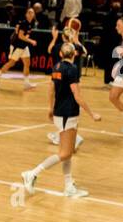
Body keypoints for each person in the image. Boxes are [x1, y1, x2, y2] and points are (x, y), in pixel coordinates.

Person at [21, 41, 100, 199]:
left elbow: (51, 89)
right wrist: (92, 114)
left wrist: (50, 108)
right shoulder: (72, 69)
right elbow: (77, 95)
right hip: (67, 114)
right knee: (64, 154)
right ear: (75, 54)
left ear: (61, 54)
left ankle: (68, 186)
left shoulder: (56, 67)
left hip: (60, 112)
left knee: (68, 153)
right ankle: (32, 173)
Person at [0, 7, 38, 91]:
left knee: (27, 63)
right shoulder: (23, 23)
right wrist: (31, 41)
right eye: (29, 12)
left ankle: (27, 84)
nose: (31, 14)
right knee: (11, 64)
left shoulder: (31, 23)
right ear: (26, 14)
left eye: (32, 13)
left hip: (24, 46)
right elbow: (20, 36)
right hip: (17, 46)